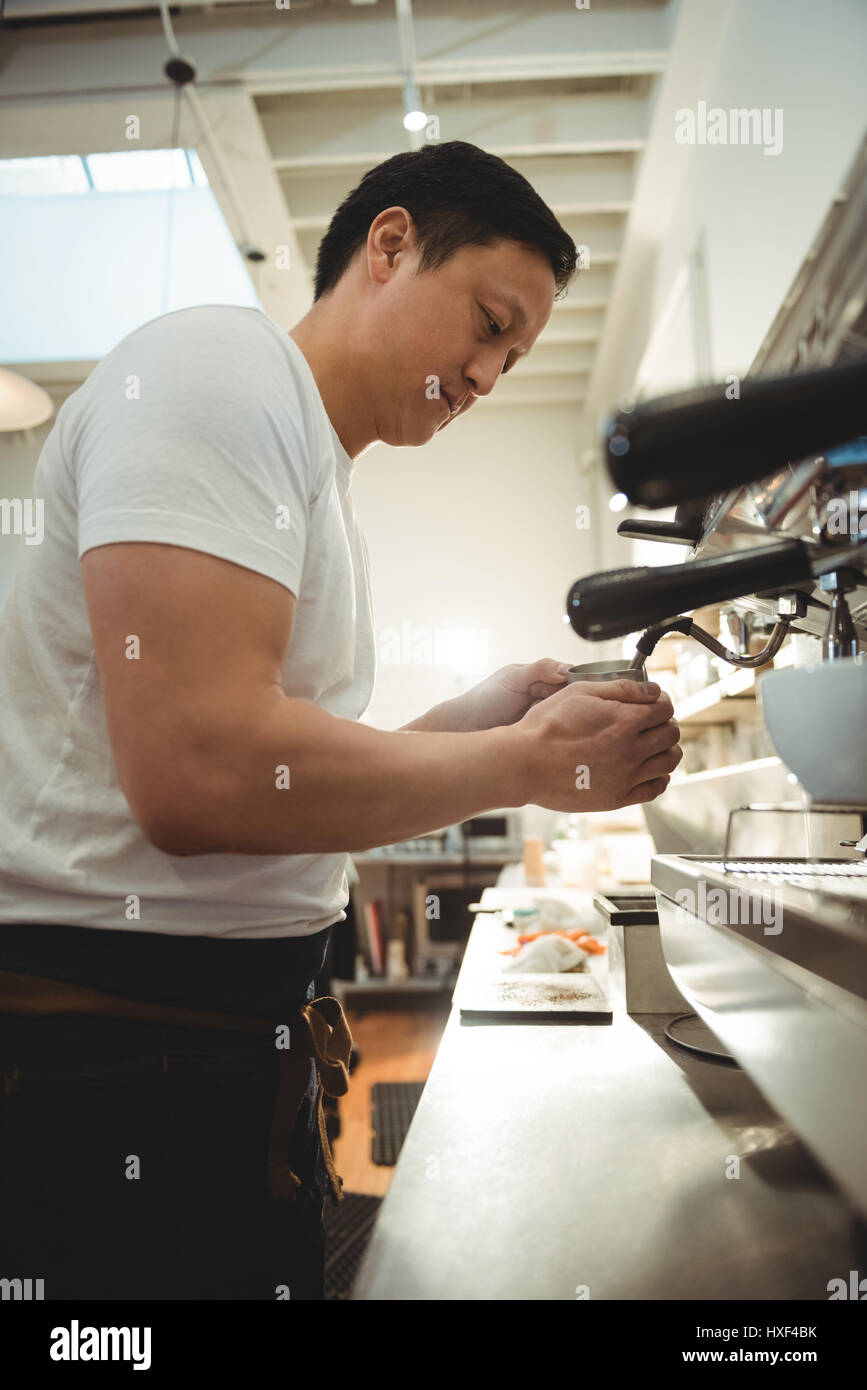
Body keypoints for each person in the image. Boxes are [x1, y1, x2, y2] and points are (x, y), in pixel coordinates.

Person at [0, 140, 681, 1301]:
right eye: (485, 320)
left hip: (208, 1044)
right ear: (390, 244)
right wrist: (518, 763)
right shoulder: (218, 369)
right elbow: (200, 773)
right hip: (109, 1053)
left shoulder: (317, 478)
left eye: (512, 359)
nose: (486, 372)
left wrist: (476, 721)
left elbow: (280, 781)